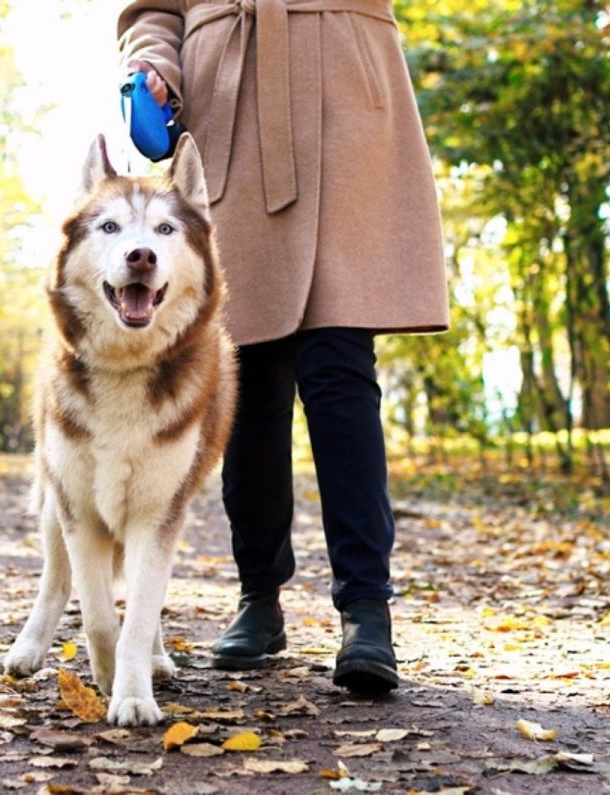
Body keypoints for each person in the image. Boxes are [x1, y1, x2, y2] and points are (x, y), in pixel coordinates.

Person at [116, 0, 449, 694]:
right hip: (229, 115)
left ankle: (366, 609)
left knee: (339, 366)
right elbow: (153, 11)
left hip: (343, 107)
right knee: (251, 374)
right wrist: (152, 63)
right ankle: (259, 596)